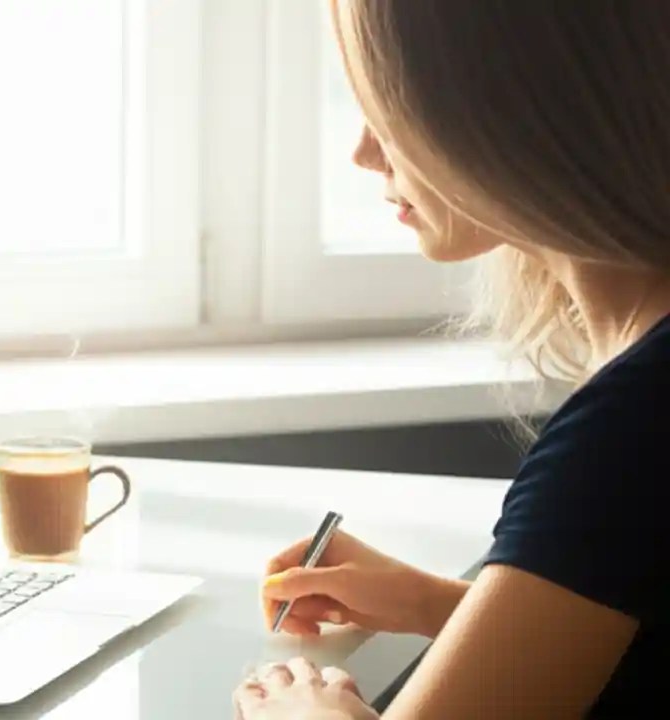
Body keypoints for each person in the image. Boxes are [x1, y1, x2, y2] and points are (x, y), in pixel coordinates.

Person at [233, 2, 670, 718]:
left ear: (502, 114)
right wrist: (432, 602)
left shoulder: (628, 431)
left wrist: (305, 712)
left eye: (393, 110)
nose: (366, 153)